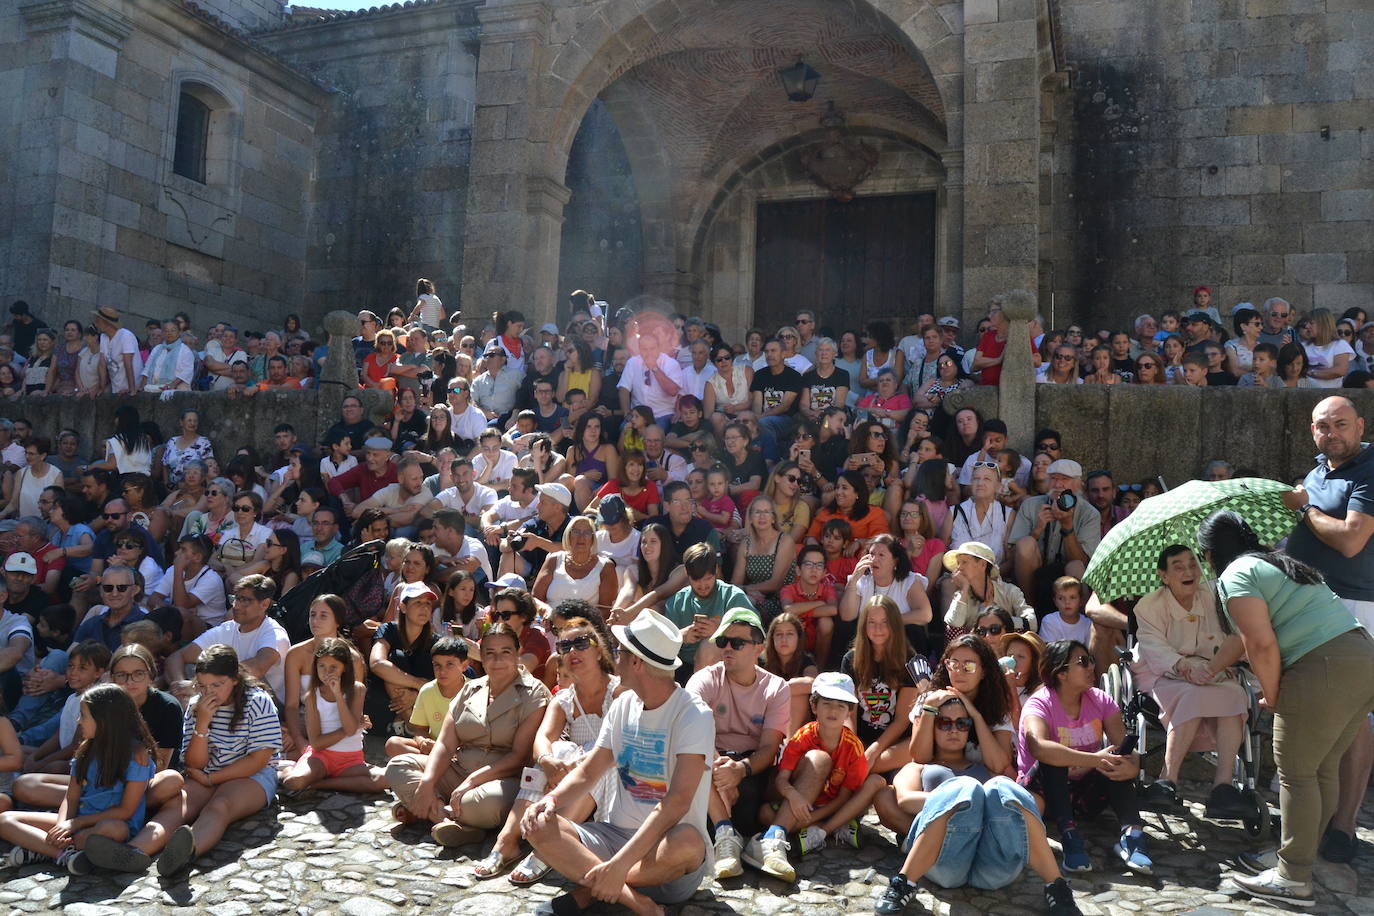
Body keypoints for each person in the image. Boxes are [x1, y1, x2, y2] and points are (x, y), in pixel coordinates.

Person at [1200, 510, 1374, 907]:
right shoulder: (1276, 563)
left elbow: (1260, 645)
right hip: (1361, 658)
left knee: (1296, 774)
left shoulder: (1235, 575)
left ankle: (1293, 878)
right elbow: (1248, 640)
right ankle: (1297, 857)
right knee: (1322, 768)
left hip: (1321, 667)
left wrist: (1275, 696)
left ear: (1209, 554)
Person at [520, 608, 714, 915]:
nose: (615, 657)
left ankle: (593, 891)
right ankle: (632, 900)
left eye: (620, 652)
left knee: (690, 843)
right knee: (539, 823)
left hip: (666, 853)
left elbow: (676, 802)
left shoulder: (693, 713)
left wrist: (619, 866)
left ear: (636, 662)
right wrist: (551, 800)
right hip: (613, 839)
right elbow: (589, 772)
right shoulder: (624, 704)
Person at [874, 686, 1080, 915]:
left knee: (1002, 785)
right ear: (933, 727)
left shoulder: (986, 771)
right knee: (967, 787)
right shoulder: (919, 767)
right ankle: (904, 883)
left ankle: (1057, 887)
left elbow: (1031, 803)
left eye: (962, 723)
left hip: (993, 864)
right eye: (944, 723)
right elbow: (904, 800)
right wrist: (963, 798)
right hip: (946, 858)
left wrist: (977, 716)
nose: (954, 729)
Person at [85, 645, 281, 875]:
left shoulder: (258, 701)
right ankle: (133, 852)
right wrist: (202, 724)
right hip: (205, 773)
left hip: (251, 775)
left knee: (220, 806)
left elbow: (258, 760)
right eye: (203, 686)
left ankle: (184, 853)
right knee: (176, 807)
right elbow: (195, 763)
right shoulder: (198, 705)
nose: (210, 693)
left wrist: (212, 779)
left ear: (235, 679)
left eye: (217, 685)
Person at [1279, 395, 1374, 864]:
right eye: (1322, 426)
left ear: (1360, 425)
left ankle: (1343, 825)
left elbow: (1353, 540)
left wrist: (1304, 510)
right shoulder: (1316, 473)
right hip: (1309, 604)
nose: (1331, 432)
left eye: (1340, 424)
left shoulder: (1371, 468)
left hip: (1356, 606)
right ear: (1311, 430)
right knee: (1319, 716)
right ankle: (1314, 815)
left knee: (1354, 721)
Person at [474, 611, 618, 885]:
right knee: (550, 756)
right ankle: (507, 841)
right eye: (565, 647)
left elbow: (618, 747)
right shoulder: (564, 698)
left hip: (610, 775)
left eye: (581, 644)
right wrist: (548, 759)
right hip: (573, 774)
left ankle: (548, 849)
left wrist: (577, 762)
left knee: (595, 762)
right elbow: (543, 737)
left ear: (598, 651)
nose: (572, 651)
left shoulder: (620, 692)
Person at [385, 622, 550, 846]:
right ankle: (447, 819)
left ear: (517, 653)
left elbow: (519, 756)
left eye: (505, 652)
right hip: (458, 769)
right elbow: (444, 744)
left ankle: (425, 810)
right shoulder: (471, 689)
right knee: (398, 766)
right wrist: (427, 782)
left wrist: (471, 782)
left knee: (481, 803)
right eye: (490, 653)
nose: (497, 660)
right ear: (480, 656)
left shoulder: (534, 693)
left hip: (502, 780)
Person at [1131, 546, 1248, 816]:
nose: (1189, 572)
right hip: (1164, 672)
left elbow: (1233, 636)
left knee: (1235, 695)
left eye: (1192, 565)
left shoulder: (1214, 595)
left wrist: (1219, 665)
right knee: (1192, 694)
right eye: (1178, 567)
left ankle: (1223, 786)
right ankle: (1167, 779)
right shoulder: (1148, 606)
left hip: (1212, 669)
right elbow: (1153, 647)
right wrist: (1185, 666)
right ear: (1164, 575)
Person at [1019, 639, 1150, 875]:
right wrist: (1094, 760)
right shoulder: (1039, 704)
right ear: (1061, 673)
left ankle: (1132, 836)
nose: (1091, 666)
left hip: (1084, 796)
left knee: (1116, 759)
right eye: (1083, 662)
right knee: (1054, 757)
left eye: (1090, 660)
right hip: (1044, 795)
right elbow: (1038, 747)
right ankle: (1069, 837)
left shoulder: (1100, 700)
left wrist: (1133, 765)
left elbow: (1125, 749)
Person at [0, 683, 157, 873]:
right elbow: (71, 797)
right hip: (77, 823)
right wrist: (60, 827)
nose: (78, 721)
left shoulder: (137, 756)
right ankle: (64, 854)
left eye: (83, 715)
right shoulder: (86, 750)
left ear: (105, 720)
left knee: (114, 830)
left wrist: (76, 824)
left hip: (108, 825)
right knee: (5, 820)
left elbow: (125, 810)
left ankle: (43, 849)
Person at [685, 608, 789, 881]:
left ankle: (731, 835)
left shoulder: (776, 687)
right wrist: (721, 771)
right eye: (723, 642)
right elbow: (690, 729)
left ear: (759, 648)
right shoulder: (705, 678)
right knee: (694, 755)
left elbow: (769, 747)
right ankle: (725, 831)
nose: (727, 649)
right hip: (711, 764)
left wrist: (739, 770)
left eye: (737, 642)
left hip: (749, 766)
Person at [743, 672, 870, 882]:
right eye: (827, 703)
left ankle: (778, 836)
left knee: (876, 783)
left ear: (849, 711)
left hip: (824, 809)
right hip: (798, 801)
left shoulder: (854, 747)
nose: (833, 710)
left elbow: (843, 797)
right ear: (814, 707)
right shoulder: (803, 736)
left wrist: (813, 819)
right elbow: (781, 779)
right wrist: (794, 797)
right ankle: (791, 832)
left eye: (841, 705)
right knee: (765, 812)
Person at [279, 638, 385, 794]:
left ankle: (321, 784)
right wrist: (355, 726)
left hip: (351, 759)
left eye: (333, 667)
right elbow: (316, 743)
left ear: (344, 668)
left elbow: (350, 729)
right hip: (321, 757)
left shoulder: (357, 689)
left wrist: (338, 696)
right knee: (293, 782)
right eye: (322, 666)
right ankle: (284, 769)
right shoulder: (312, 696)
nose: (327, 672)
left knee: (384, 779)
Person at [164, 575, 291, 703]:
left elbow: (257, 669)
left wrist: (197, 687)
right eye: (235, 599)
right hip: (227, 696)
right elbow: (177, 657)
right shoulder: (226, 629)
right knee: (190, 669)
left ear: (265, 604)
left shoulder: (274, 633)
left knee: (243, 679)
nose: (236, 606)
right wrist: (180, 686)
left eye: (245, 600)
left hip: (267, 703)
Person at [1008, 459, 1100, 610]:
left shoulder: (1089, 514)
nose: (1058, 484)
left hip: (1068, 572)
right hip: (1034, 570)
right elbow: (1013, 554)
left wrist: (1067, 526)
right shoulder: (1030, 505)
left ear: (1078, 485)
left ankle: (1079, 619)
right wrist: (1037, 530)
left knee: (1076, 566)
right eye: (1053, 478)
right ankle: (1029, 609)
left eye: (1065, 479)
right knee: (1026, 543)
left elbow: (1083, 561)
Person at [663, 543, 756, 678]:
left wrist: (722, 631)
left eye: (707, 579)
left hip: (726, 669)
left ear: (716, 571)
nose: (703, 585)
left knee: (708, 646)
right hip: (682, 667)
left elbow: (756, 635)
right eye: (696, 580)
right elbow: (662, 643)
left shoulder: (733, 596)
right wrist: (681, 636)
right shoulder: (677, 601)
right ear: (687, 575)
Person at [531, 515, 618, 619]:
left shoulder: (605, 566)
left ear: (593, 539)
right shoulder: (554, 559)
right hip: (550, 623)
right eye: (576, 532)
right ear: (568, 536)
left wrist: (577, 623)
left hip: (586, 627)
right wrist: (546, 611)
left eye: (587, 533)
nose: (581, 537)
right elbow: (535, 598)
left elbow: (605, 609)